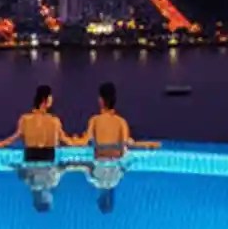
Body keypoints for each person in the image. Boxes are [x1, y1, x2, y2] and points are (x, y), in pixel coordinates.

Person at [68, 82, 160, 213]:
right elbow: (129, 144)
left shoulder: (95, 120)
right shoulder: (121, 122)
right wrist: (149, 145)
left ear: (101, 100)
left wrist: (70, 141)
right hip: (115, 162)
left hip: (100, 162)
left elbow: (83, 142)